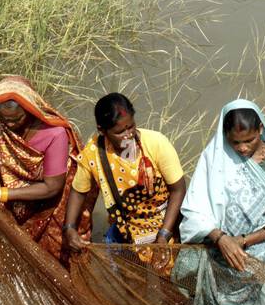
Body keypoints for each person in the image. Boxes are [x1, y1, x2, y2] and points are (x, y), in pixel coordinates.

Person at [172, 101, 265, 305]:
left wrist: (244, 240)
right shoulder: (215, 158)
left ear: (260, 129)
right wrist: (221, 238)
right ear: (224, 135)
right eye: (235, 141)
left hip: (259, 252)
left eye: (248, 140)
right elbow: (195, 208)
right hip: (219, 251)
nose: (241, 148)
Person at [0, 75, 87, 263]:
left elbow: (52, 187)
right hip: (16, 199)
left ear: (30, 110)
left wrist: (0, 194)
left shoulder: (54, 134)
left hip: (51, 205)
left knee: (54, 258)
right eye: (5, 120)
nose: (9, 125)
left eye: (17, 119)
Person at [62, 92, 185, 255]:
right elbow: (78, 192)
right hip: (127, 228)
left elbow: (178, 189)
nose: (128, 135)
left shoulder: (156, 143)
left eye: (131, 127)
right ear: (102, 130)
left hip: (165, 224)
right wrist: (69, 227)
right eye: (119, 132)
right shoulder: (93, 153)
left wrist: (163, 235)